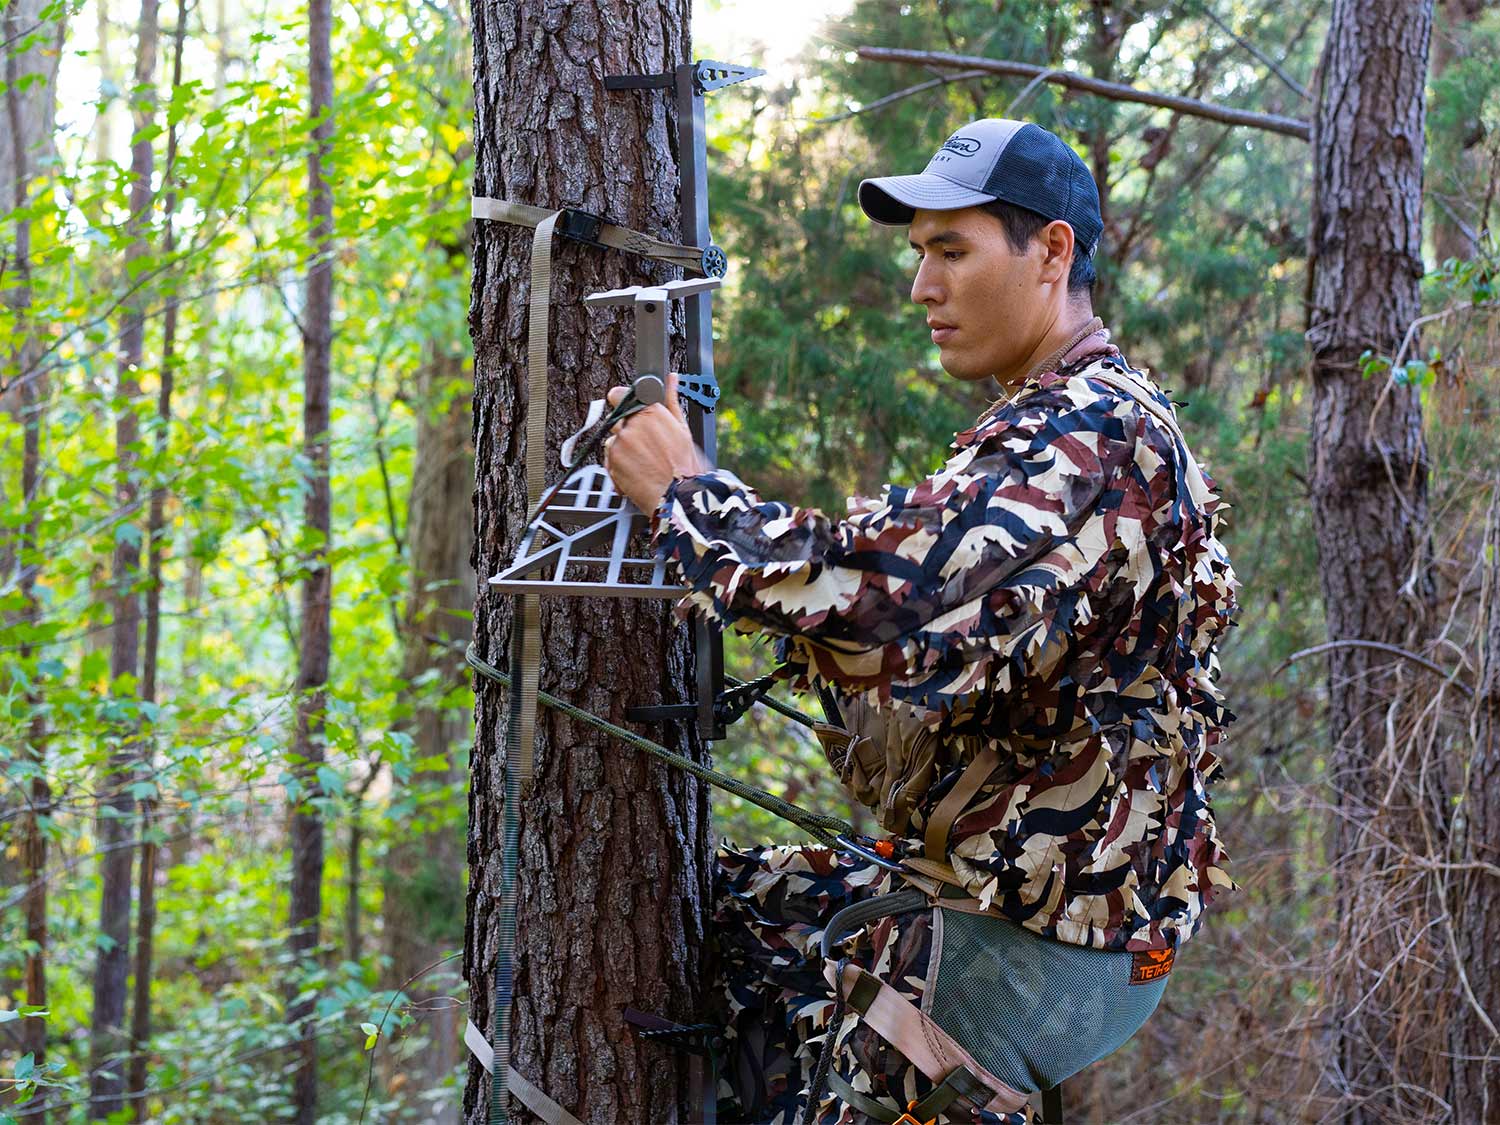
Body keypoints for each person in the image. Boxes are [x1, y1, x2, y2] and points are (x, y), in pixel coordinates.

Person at [603, 117, 1240, 1125]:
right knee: (695, 911)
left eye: (953, 250)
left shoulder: (1093, 434)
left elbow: (893, 605)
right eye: (919, 254)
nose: (923, 287)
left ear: (1053, 253)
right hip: (1008, 897)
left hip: (1031, 948)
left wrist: (687, 497)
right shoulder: (1053, 422)